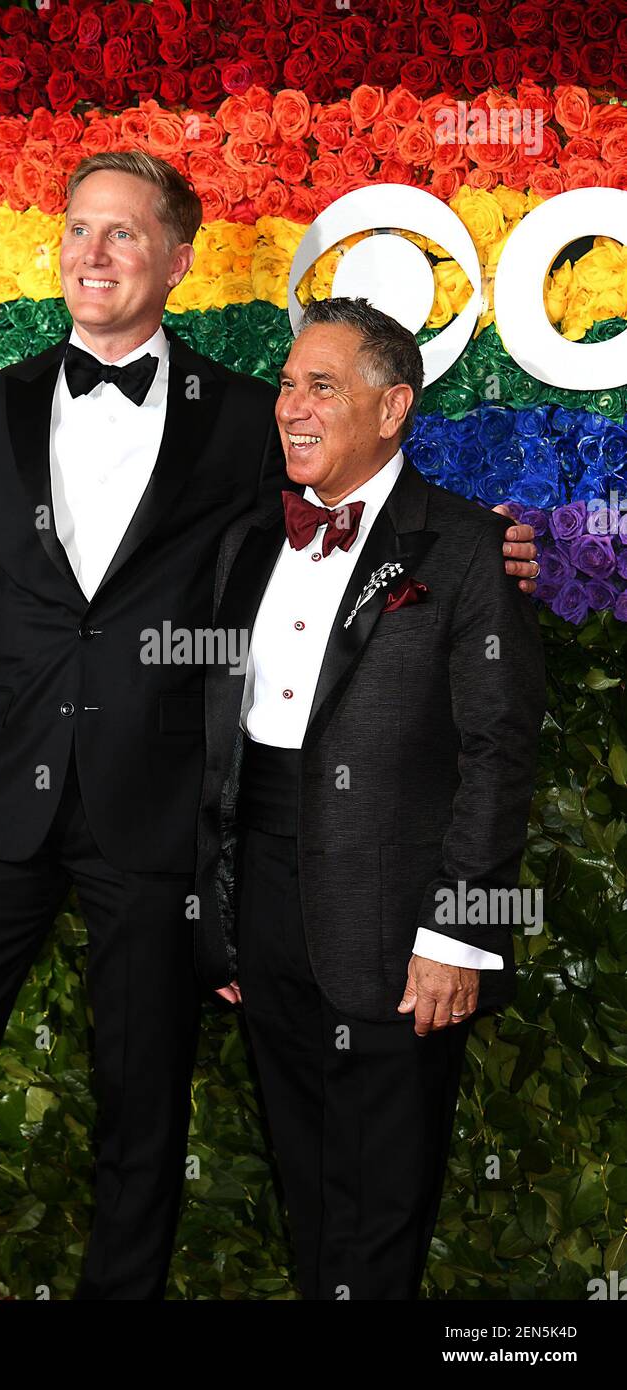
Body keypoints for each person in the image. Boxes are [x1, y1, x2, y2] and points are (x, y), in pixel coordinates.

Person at [0, 154, 540, 1301]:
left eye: (122, 234)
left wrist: (486, 548)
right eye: (78, 229)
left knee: (143, 1106)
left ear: (177, 261)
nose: (91, 252)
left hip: (158, 819)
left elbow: (355, 513)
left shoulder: (246, 416)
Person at [194, 296, 546, 1300]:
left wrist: (456, 935)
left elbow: (497, 750)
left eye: (320, 386)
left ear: (391, 408)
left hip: (401, 923)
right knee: (306, 1188)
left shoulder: (468, 546)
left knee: (382, 1206)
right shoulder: (245, 543)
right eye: (284, 384)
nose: (289, 406)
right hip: (263, 900)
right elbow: (223, 751)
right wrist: (221, 925)